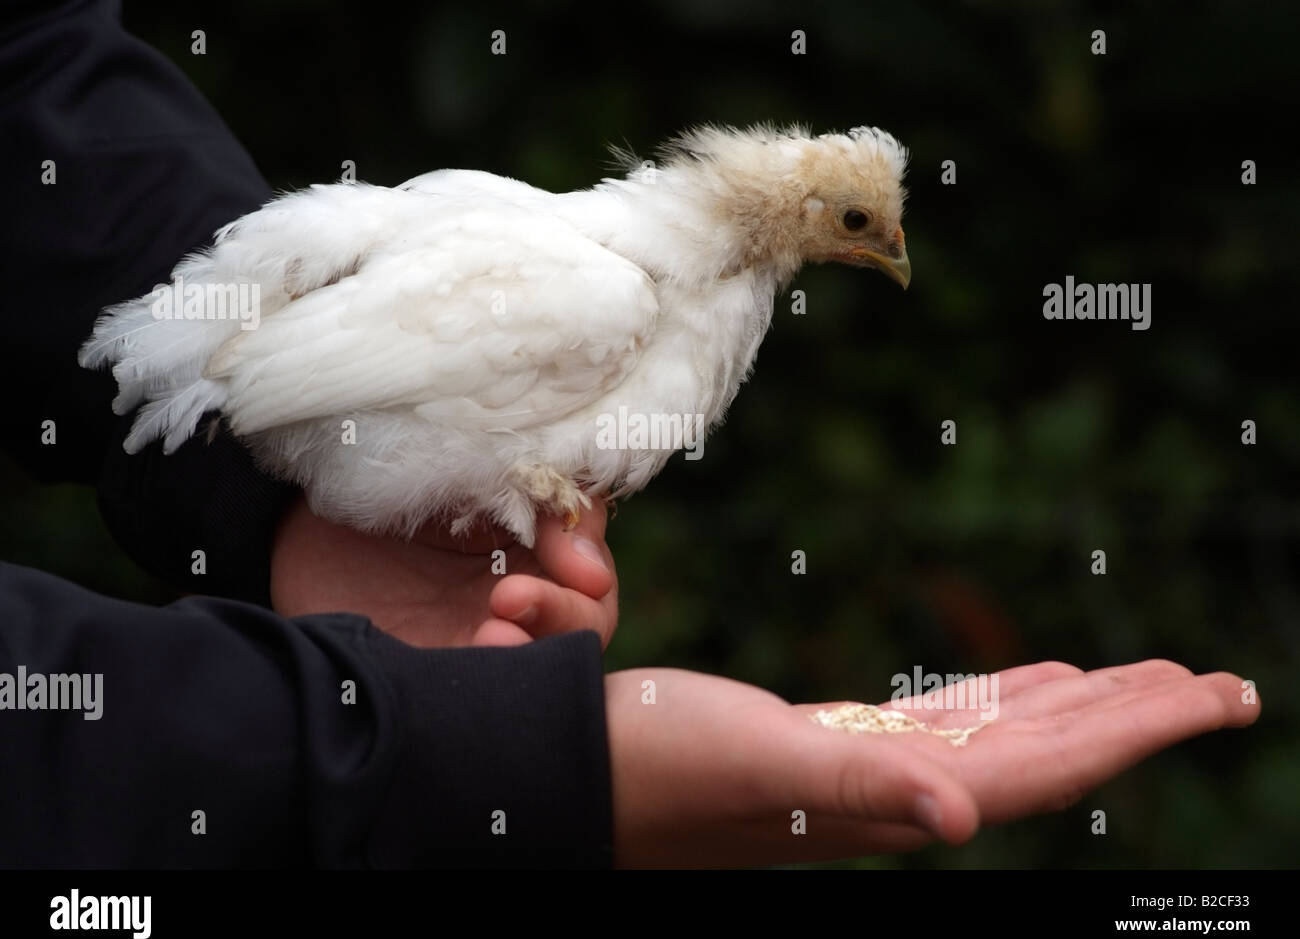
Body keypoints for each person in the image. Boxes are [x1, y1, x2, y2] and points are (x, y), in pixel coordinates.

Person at [0, 0, 1259, 868]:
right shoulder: (602, 289)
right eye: (867, 232)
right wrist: (486, 765)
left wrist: (282, 536)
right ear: (811, 215)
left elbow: (34, 59)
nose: (884, 256)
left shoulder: (651, 276)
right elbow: (282, 380)